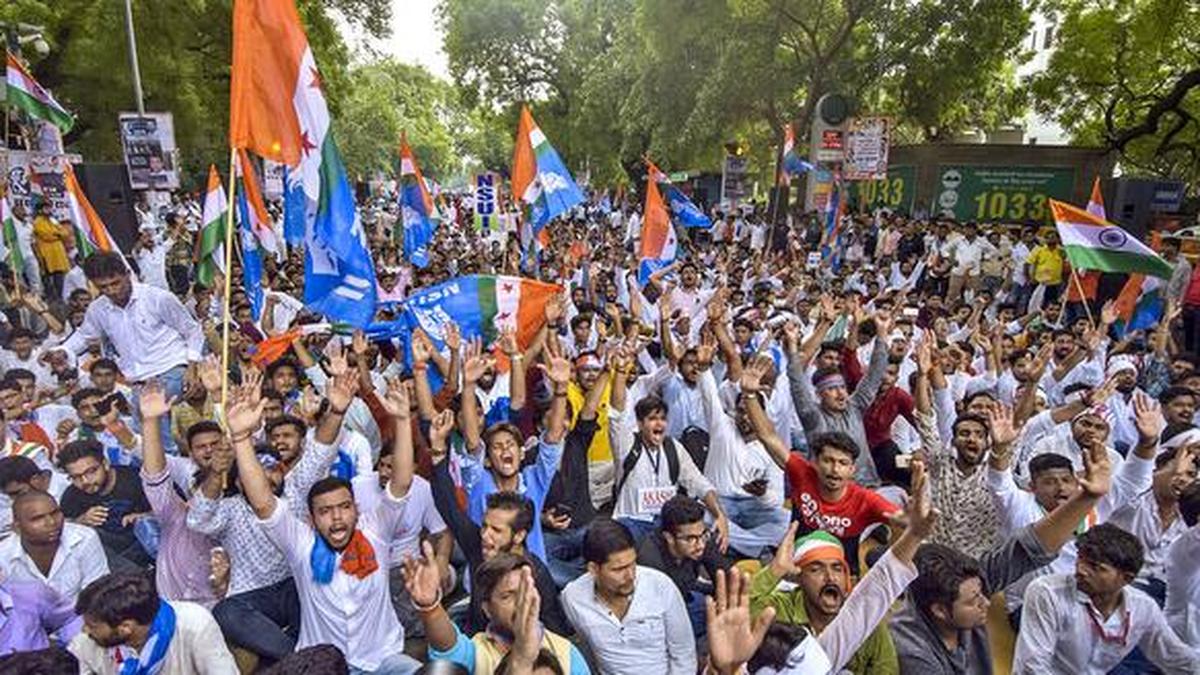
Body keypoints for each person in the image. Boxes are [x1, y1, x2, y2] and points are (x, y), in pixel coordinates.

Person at [226, 371, 423, 674]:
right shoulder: (300, 545)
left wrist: (402, 421)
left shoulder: (376, 531)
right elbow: (264, 502)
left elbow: (401, 482)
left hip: (384, 659)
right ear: (311, 519)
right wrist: (240, 437)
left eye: (344, 507)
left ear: (356, 510)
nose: (336, 517)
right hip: (324, 666)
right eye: (325, 511)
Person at [890, 436, 1119, 674]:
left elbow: (1031, 549)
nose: (987, 602)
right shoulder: (913, 653)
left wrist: (1087, 497)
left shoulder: (962, 588)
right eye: (974, 600)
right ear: (940, 610)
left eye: (981, 593)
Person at [50, 251, 205, 452]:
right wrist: (62, 350)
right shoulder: (98, 309)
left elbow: (192, 330)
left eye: (115, 283)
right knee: (145, 442)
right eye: (103, 287)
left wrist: (192, 368)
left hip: (171, 370)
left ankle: (171, 471)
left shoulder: (157, 298)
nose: (112, 291)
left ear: (127, 274)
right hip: (137, 382)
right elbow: (84, 336)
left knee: (157, 438)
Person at [1013, 524, 1196, 673]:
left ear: (1127, 578)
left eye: (1095, 566)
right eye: (1080, 559)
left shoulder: (1143, 607)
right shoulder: (1047, 593)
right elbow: (1032, 667)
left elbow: (1174, 656)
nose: (1081, 570)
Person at [406, 552, 590, 674]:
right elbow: (447, 646)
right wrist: (430, 607)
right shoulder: (478, 653)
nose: (521, 602)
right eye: (507, 596)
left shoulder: (566, 653)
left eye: (526, 591)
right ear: (487, 609)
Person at [749, 529, 898, 674]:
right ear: (799, 579)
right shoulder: (781, 608)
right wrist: (775, 570)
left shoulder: (865, 617)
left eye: (837, 568)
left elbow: (887, 668)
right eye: (816, 569)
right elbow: (740, 612)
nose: (830, 577)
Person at [561, 519, 696, 674]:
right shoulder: (573, 598)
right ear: (593, 569)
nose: (630, 575)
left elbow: (684, 654)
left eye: (633, 564)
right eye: (619, 569)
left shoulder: (661, 586)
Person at [68, 572, 236, 673]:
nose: (85, 631)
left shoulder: (194, 624)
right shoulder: (85, 644)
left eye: (92, 626)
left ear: (125, 628)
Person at [636, 495, 730, 641]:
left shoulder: (701, 539)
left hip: (686, 595)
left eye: (703, 535)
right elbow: (657, 618)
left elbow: (725, 577)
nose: (700, 545)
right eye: (690, 539)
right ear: (669, 538)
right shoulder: (650, 563)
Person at [55, 439, 154, 570]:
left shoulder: (136, 479)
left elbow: (175, 510)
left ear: (105, 464)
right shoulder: (71, 496)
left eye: (90, 472)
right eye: (76, 477)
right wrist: (81, 521)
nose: (85, 481)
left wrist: (144, 516)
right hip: (111, 559)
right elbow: (63, 530)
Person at [0, 490, 109, 602]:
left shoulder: (84, 538)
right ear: (17, 527)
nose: (51, 522)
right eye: (38, 518)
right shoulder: (3, 556)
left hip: (83, 615)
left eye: (55, 513)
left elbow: (98, 594)